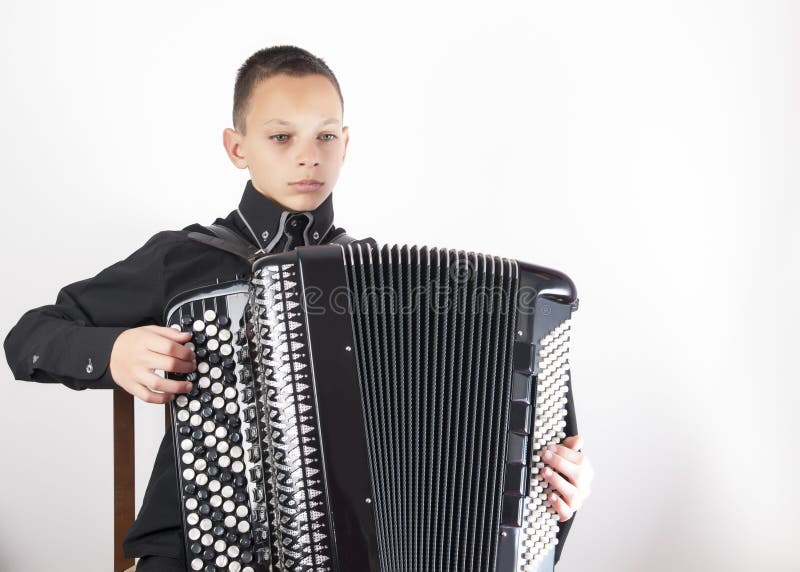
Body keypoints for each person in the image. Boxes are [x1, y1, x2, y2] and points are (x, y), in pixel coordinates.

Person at [3, 45, 593, 570]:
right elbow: (28, 337)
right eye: (281, 136)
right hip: (193, 549)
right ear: (237, 147)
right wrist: (114, 350)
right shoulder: (185, 259)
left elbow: (506, 433)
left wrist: (561, 482)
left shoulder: (391, 285)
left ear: (346, 144)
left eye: (326, 136)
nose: (308, 157)